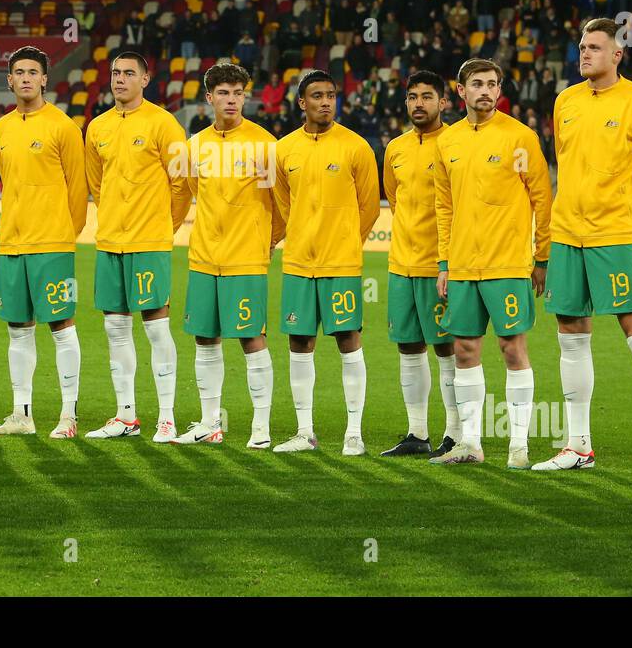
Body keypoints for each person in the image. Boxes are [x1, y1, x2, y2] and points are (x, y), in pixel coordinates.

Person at [535, 16, 632, 476]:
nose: (584, 54)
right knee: (570, 335)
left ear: (617, 55)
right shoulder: (565, 102)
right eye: (581, 46)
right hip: (566, 235)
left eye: (595, 47)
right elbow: (565, 164)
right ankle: (578, 445)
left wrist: (628, 220)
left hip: (615, 236)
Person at [432, 60, 553, 468]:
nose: (485, 90)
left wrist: (542, 256)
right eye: (477, 84)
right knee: (465, 349)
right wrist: (444, 262)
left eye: (492, 84)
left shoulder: (520, 137)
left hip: (507, 264)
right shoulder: (447, 142)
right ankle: (471, 443)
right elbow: (444, 206)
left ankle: (519, 446)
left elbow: (542, 197)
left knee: (512, 348)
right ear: (461, 90)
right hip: (464, 265)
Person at [84, 51, 191, 441]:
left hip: (150, 242)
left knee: (156, 329)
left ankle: (167, 417)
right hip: (110, 241)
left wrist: (164, 226)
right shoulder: (97, 127)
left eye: (129, 73)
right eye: (115, 73)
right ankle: (126, 415)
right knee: (115, 328)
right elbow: (96, 185)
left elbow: (181, 184)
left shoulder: (165, 124)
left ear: (145, 80)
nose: (120, 79)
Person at [272, 70, 381, 455]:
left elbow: (370, 206)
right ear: (301, 102)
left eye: (331, 95)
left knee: (348, 340)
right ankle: (305, 431)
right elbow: (284, 204)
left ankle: (354, 431)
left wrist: (348, 241)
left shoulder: (356, 147)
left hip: (341, 263)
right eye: (316, 96)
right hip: (299, 261)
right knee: (299, 341)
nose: (325, 102)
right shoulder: (284, 149)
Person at [174, 62, 283, 447]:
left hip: (246, 259)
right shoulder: (194, 146)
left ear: (246, 97)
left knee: (252, 339)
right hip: (203, 256)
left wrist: (267, 242)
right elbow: (190, 192)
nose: (231, 100)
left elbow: (282, 204)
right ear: (209, 98)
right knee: (205, 338)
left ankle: (261, 428)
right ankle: (209, 423)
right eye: (223, 93)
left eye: (238, 93)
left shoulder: (266, 145)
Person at [0, 47, 88, 439]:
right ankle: (21, 415)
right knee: (18, 329)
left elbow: (78, 190)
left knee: (61, 327)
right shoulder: (3, 128)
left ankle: (68, 416)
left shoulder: (63, 126)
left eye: (33, 72)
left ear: (45, 79)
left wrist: (65, 235)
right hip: (11, 242)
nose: (26, 78)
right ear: (10, 80)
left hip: (52, 243)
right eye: (18, 72)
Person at [379, 71, 459, 458]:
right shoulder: (395, 148)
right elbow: (393, 199)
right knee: (409, 347)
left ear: (443, 102)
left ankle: (455, 433)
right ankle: (417, 433)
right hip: (400, 264)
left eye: (428, 96)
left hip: (440, 266)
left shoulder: (455, 143)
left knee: (447, 348)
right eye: (412, 97)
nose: (418, 104)